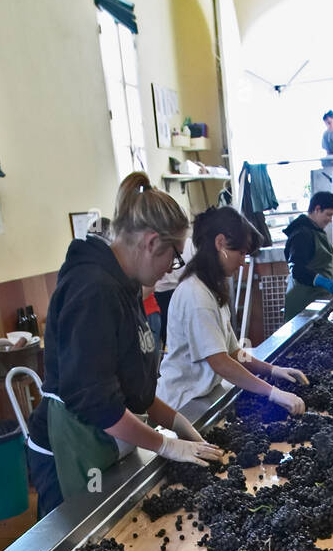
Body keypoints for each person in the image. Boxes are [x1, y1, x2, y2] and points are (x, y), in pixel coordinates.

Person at [26, 172, 222, 517]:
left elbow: (133, 387)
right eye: (173, 257)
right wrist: (166, 445)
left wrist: (178, 424)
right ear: (150, 243)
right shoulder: (92, 289)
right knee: (80, 546)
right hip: (70, 447)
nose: (171, 269)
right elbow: (97, 401)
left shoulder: (126, 285)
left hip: (106, 441)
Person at [158, 206, 308, 416]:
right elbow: (220, 362)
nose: (242, 261)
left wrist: (272, 370)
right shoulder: (196, 295)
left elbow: (234, 353)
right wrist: (272, 392)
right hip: (183, 404)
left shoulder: (211, 288)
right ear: (220, 243)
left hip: (203, 397)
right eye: (241, 252)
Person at [283, 192, 333, 320]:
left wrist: (331, 279)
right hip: (303, 304)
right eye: (328, 215)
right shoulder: (302, 234)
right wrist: (322, 281)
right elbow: (297, 269)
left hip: (315, 301)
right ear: (317, 209)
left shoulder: (316, 232)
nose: (330, 220)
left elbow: (318, 264)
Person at [154, 234, 194, 349]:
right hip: (161, 293)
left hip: (178, 291)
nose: (170, 269)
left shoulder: (188, 243)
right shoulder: (187, 243)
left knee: (173, 337)